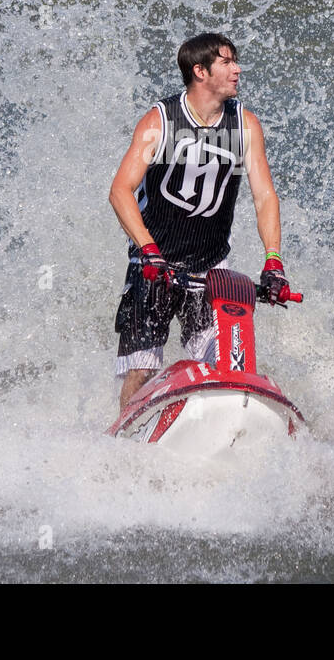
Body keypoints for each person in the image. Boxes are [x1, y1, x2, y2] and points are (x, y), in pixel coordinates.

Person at [108, 32, 293, 413]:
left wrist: (273, 261)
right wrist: (150, 251)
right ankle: (124, 437)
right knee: (142, 368)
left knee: (230, 362)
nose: (237, 69)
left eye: (235, 61)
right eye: (226, 62)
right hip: (153, 266)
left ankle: (215, 425)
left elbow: (264, 197)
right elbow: (120, 191)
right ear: (200, 71)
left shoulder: (245, 126)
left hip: (211, 268)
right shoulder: (159, 121)